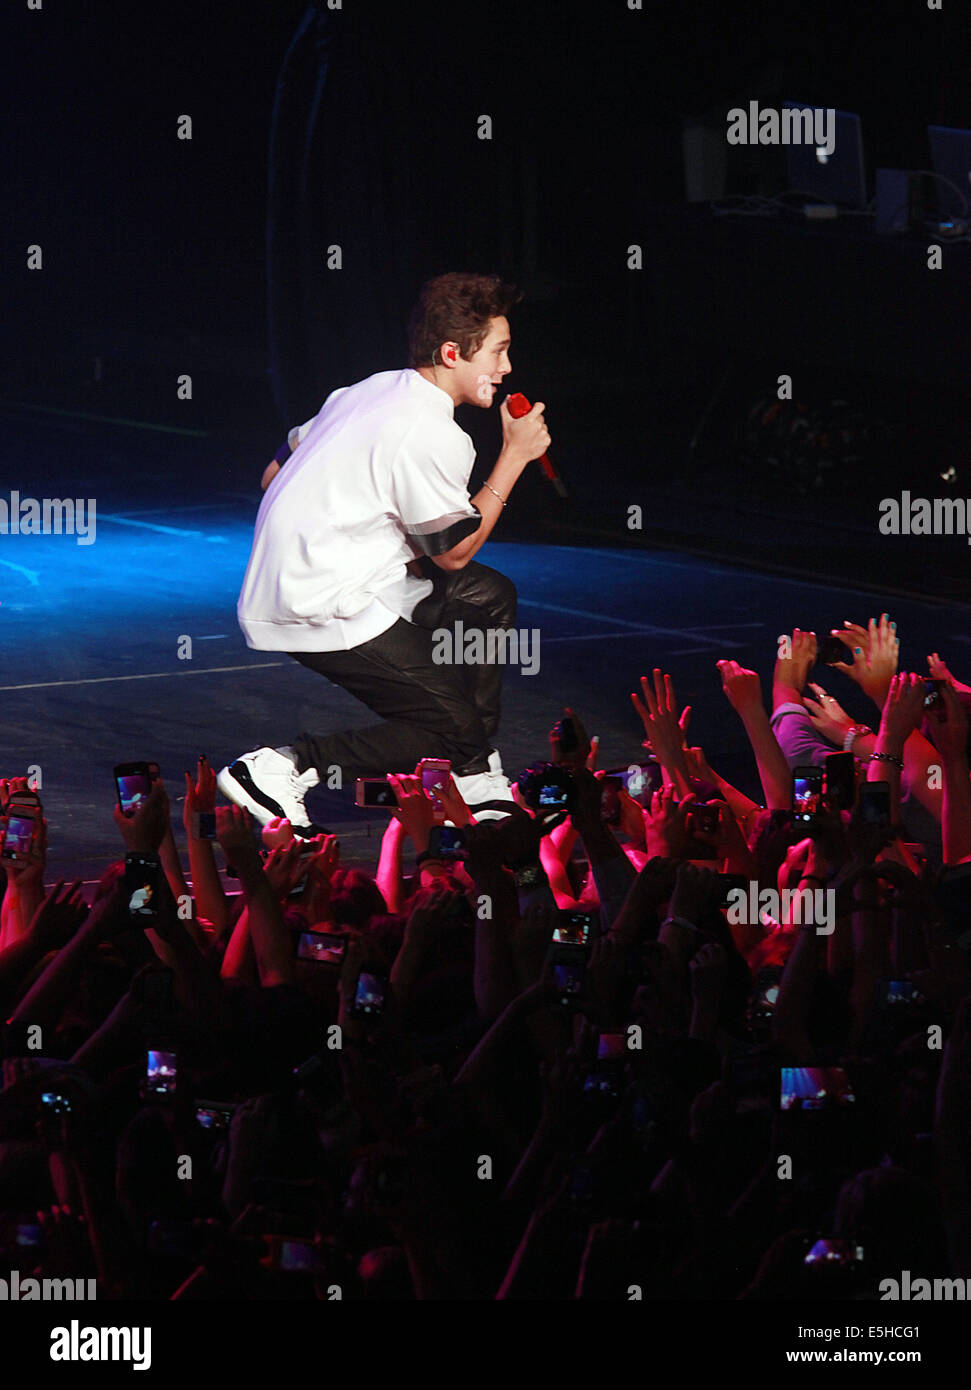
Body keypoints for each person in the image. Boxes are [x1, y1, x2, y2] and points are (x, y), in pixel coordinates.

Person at [218, 273, 551, 834]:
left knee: (489, 598)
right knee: (449, 726)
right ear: (453, 353)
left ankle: (471, 771)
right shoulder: (431, 432)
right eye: (498, 351)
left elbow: (273, 470)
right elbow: (454, 554)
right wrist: (515, 456)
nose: (507, 367)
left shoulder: (372, 387)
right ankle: (283, 766)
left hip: (321, 573)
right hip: (323, 599)